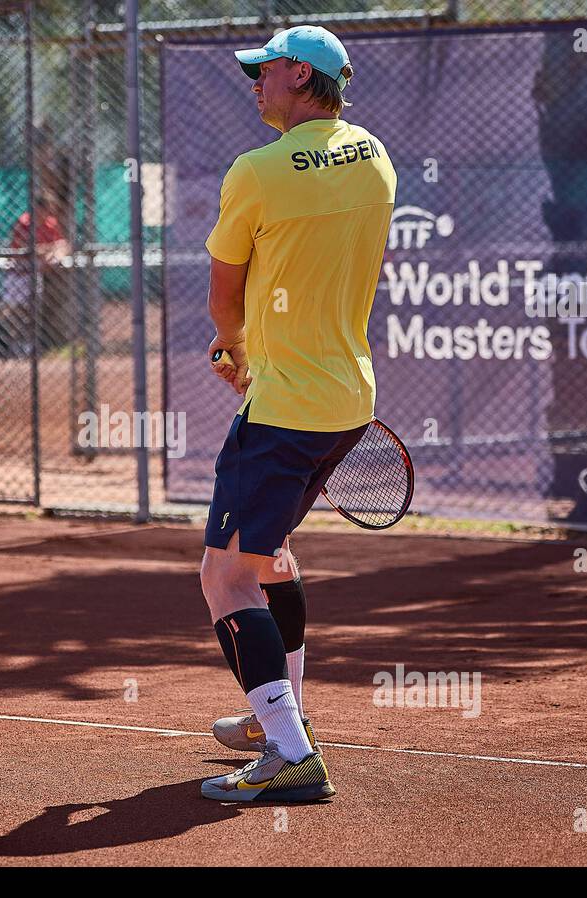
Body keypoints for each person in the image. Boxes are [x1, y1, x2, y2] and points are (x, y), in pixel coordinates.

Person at [195, 26, 397, 802]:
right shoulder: (374, 154)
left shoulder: (257, 171)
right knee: (271, 555)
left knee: (224, 579)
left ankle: (289, 752)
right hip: (347, 398)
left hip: (285, 405)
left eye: (265, 69)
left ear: (303, 77)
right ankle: (279, 714)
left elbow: (225, 290)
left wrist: (231, 346)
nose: (254, 81)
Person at [0, 187, 71, 359]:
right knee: (14, 312)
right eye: (47, 208)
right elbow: (24, 250)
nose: (50, 212)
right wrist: (47, 250)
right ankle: (6, 345)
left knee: (32, 311)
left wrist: (51, 251)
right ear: (38, 208)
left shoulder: (49, 223)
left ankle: (26, 346)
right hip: (17, 275)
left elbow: (61, 244)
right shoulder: (25, 223)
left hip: (34, 274)